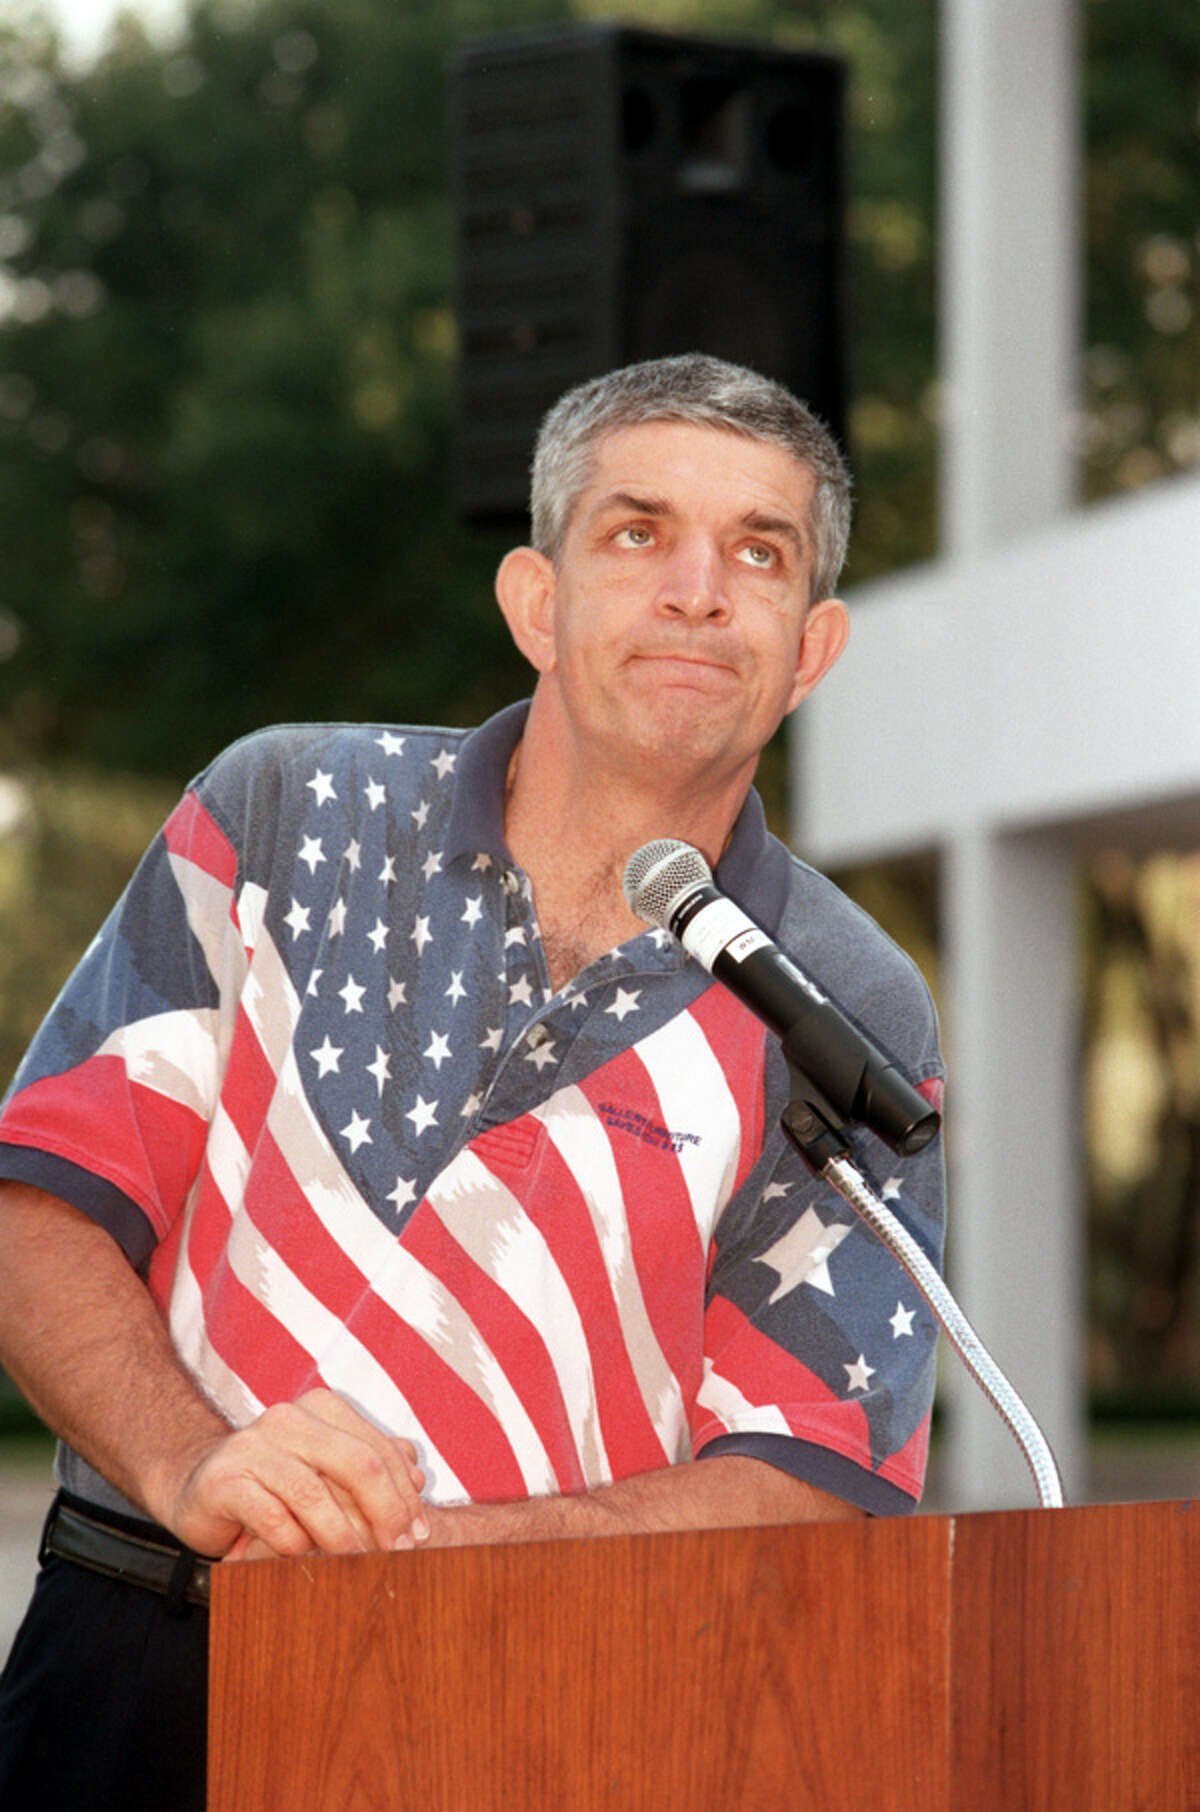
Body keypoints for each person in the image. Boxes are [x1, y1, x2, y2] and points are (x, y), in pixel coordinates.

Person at [0, 353, 945, 1808]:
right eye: (637, 532)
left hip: (554, 1694)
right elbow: (40, 1208)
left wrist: (442, 1560)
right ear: (536, 602)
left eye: (758, 552)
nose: (699, 591)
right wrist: (192, 1468)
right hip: (141, 1649)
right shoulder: (282, 807)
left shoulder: (844, 999)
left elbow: (812, 1465)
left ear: (811, 648)